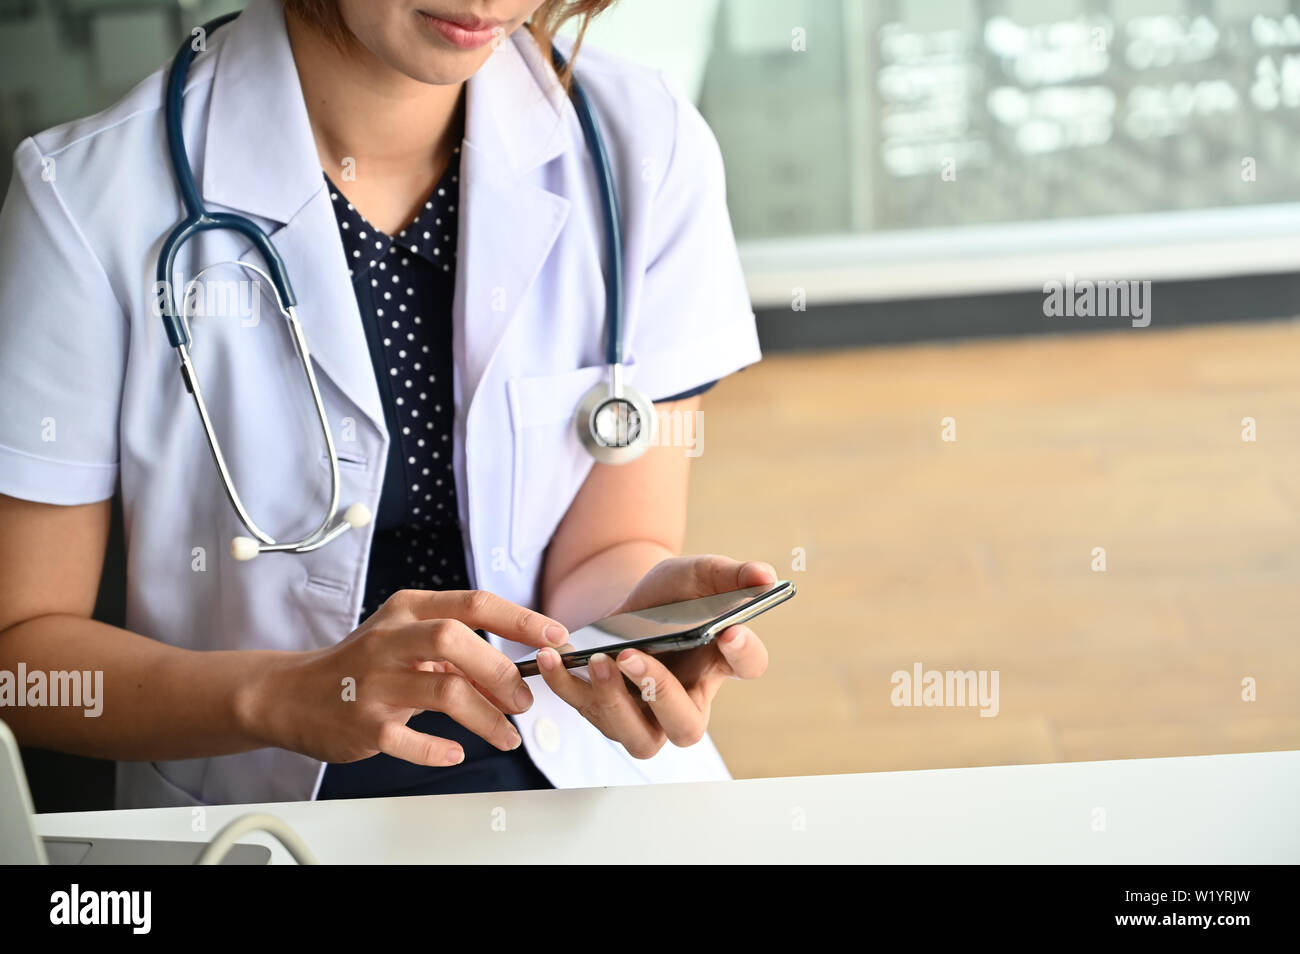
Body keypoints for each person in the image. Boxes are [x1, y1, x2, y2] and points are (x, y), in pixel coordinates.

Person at [0, 0, 771, 808]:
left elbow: (600, 554)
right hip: (258, 804)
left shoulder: (643, 147)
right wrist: (284, 694)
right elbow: (23, 660)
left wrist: (631, 623)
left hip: (570, 778)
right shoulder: (86, 199)